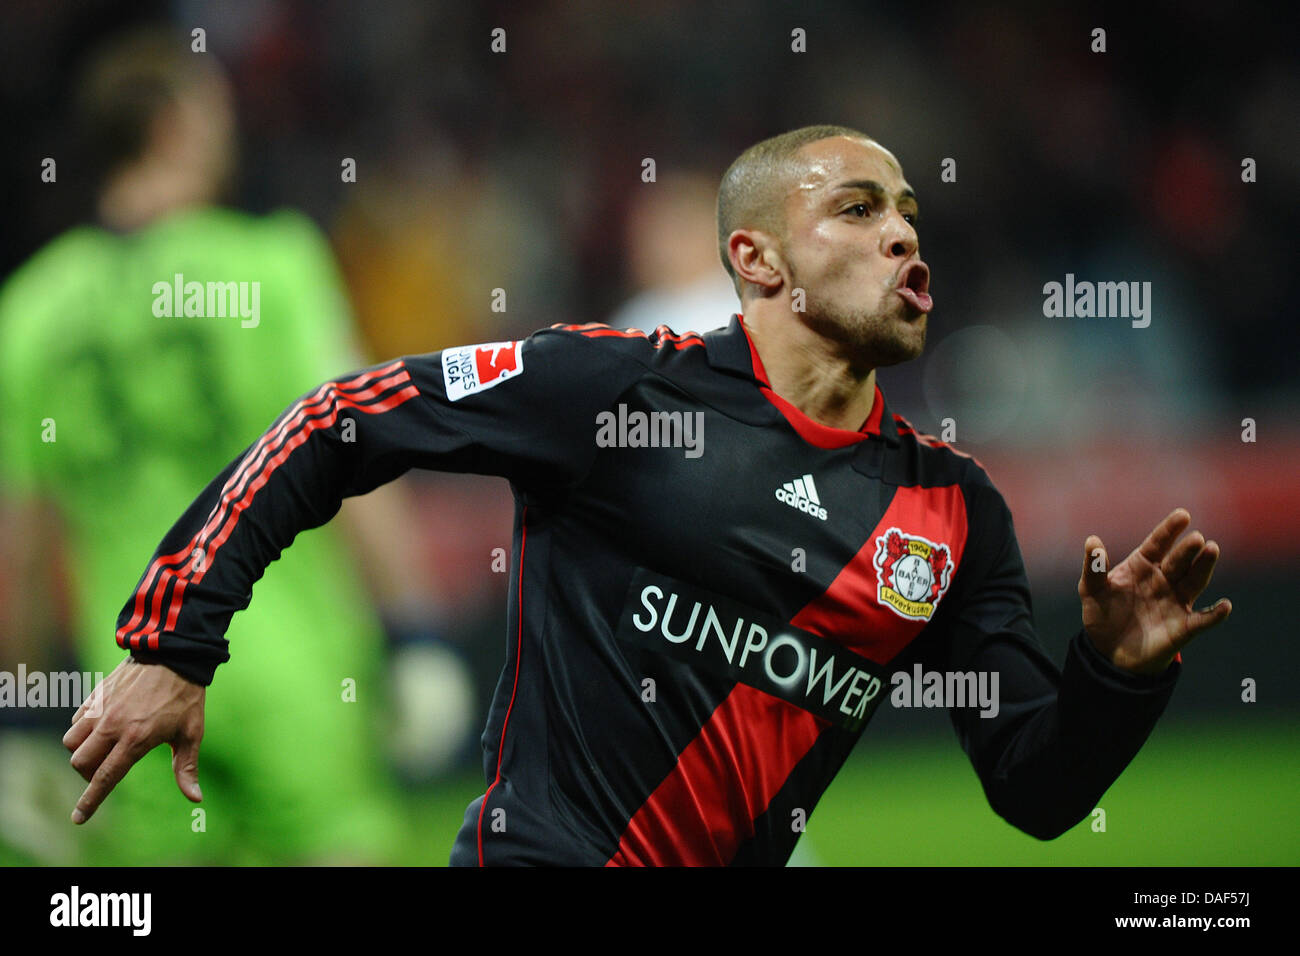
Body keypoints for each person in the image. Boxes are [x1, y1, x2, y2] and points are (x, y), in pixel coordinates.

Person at [62, 124, 1232, 866]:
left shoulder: (953, 512)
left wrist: (1113, 678)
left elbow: (1033, 789)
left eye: (910, 212)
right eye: (859, 208)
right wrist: (175, 635)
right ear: (757, 260)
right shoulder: (614, 389)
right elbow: (337, 420)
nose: (901, 236)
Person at [0, 28, 466, 864]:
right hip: (292, 665)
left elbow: (21, 547)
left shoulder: (31, 312)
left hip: (129, 682)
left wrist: (23, 712)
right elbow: (355, 455)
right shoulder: (271, 267)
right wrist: (414, 630)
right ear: (176, 125)